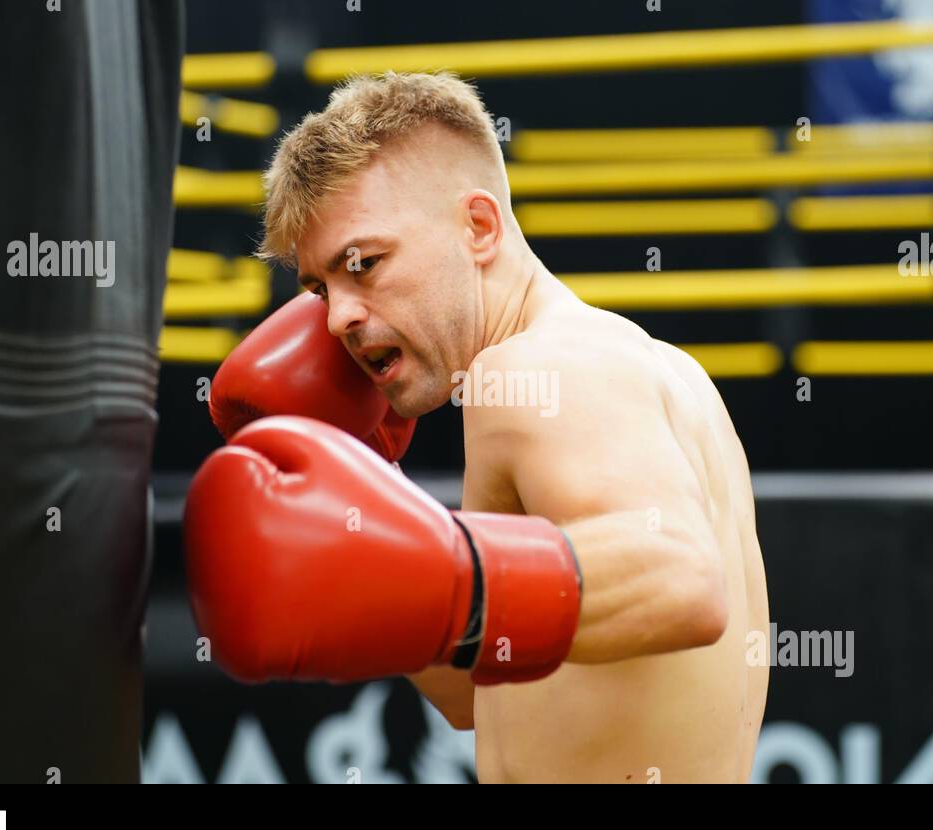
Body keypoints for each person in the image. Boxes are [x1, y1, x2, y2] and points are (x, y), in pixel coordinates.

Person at [184, 71, 769, 783]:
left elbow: (683, 578)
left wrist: (449, 576)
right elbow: (484, 690)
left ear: (479, 227)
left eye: (363, 264)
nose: (337, 317)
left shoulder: (538, 372)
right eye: (319, 287)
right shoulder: (668, 374)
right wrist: (374, 509)